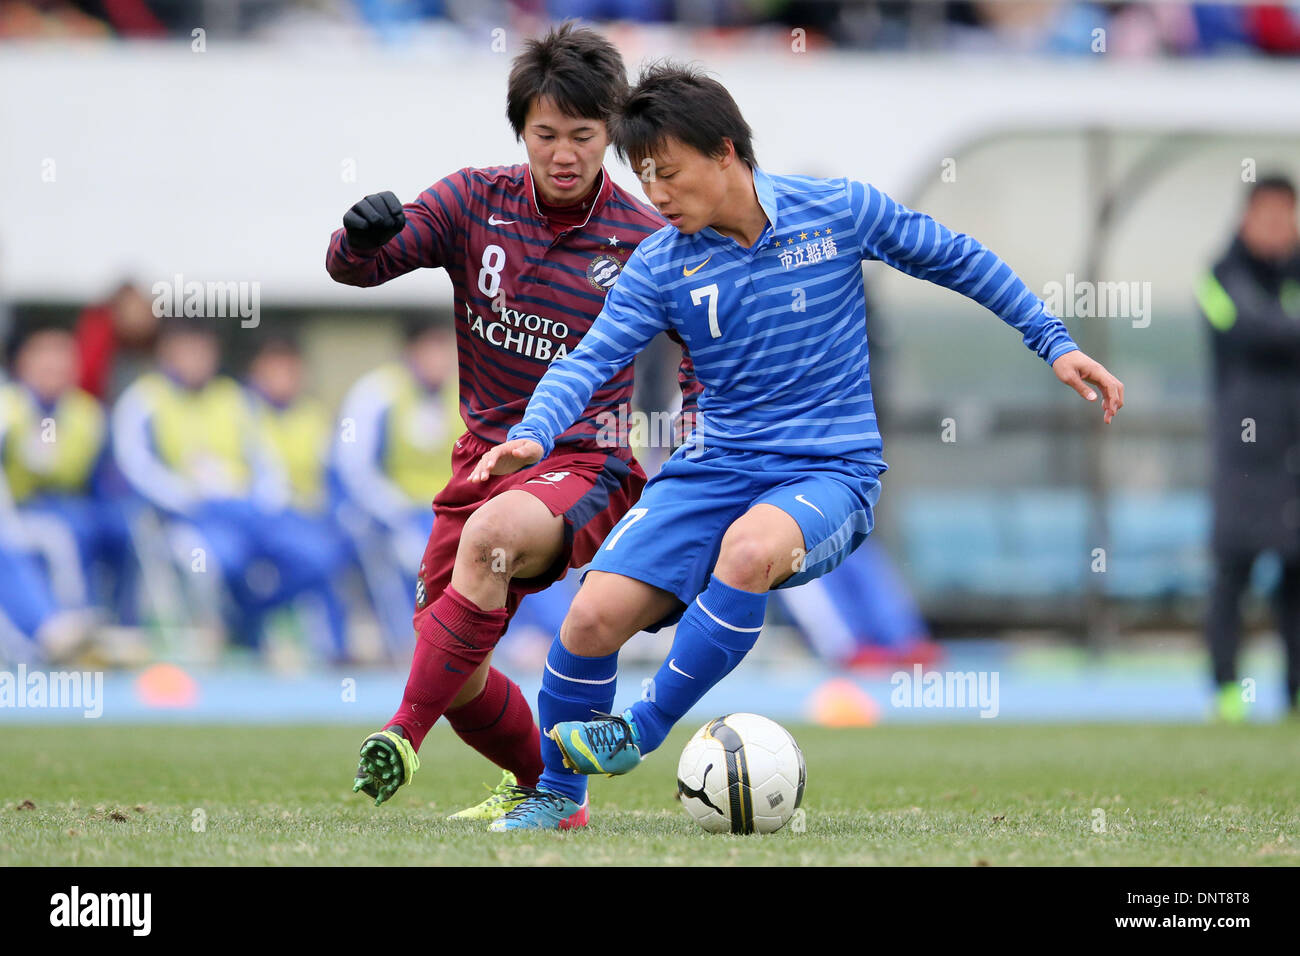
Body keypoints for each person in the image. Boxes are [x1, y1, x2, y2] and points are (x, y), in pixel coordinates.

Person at [472, 62, 1124, 831]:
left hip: (830, 473)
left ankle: (640, 730)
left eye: (669, 174)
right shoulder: (662, 263)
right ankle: (558, 797)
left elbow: (958, 258)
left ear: (725, 153)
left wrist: (1052, 342)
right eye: (645, 179)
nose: (656, 195)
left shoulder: (839, 212)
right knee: (589, 620)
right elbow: (588, 360)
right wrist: (532, 433)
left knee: (748, 552)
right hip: (711, 471)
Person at [325, 23, 699, 824]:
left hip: (586, 464)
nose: (564, 153)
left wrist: (699, 438)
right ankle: (549, 791)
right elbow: (364, 267)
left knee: (491, 537)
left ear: (612, 135)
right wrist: (355, 239)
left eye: (584, 136)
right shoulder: (473, 201)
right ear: (523, 131)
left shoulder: (645, 239)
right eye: (546, 134)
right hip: (482, 460)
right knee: (454, 668)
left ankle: (400, 732)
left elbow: (705, 338)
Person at [111, 317, 339, 655]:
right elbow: (137, 467)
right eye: (187, 350)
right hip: (188, 517)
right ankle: (237, 630)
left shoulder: (234, 398)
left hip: (248, 511)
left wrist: (262, 500)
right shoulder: (143, 400)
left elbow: (266, 460)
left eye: (203, 350)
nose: (196, 359)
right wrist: (189, 497)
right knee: (225, 561)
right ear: (167, 352)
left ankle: (249, 617)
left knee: (318, 555)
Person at [1197, 174, 1300, 721]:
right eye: (1267, 216)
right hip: (1244, 457)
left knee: (1296, 580)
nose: (1278, 228)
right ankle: (1227, 692)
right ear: (1246, 218)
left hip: (1295, 455)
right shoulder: (1219, 277)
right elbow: (1252, 330)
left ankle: (1294, 694)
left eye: (1287, 217)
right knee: (1232, 573)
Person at [0, 323, 129, 661]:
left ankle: (119, 627)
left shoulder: (88, 414)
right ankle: (66, 627)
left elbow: (105, 480)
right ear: (22, 362)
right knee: (57, 535)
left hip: (72, 508)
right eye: (44, 356)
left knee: (120, 528)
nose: (53, 366)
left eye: (61, 357)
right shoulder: (7, 409)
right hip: (19, 510)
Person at [332, 319, 459, 655]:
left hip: (444, 511)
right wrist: (395, 514)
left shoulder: (460, 394)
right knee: (414, 554)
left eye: (444, 349)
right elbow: (354, 468)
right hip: (391, 514)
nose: (441, 359)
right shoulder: (378, 393)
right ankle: (409, 643)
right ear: (411, 351)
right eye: (432, 349)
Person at [247, 332, 351, 663]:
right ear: (257, 372)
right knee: (321, 557)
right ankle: (259, 615)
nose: (284, 379)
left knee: (343, 547)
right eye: (275, 370)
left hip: (310, 517)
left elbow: (332, 474)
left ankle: (336, 646)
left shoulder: (314, 416)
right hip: (262, 519)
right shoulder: (242, 413)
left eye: (291, 370)